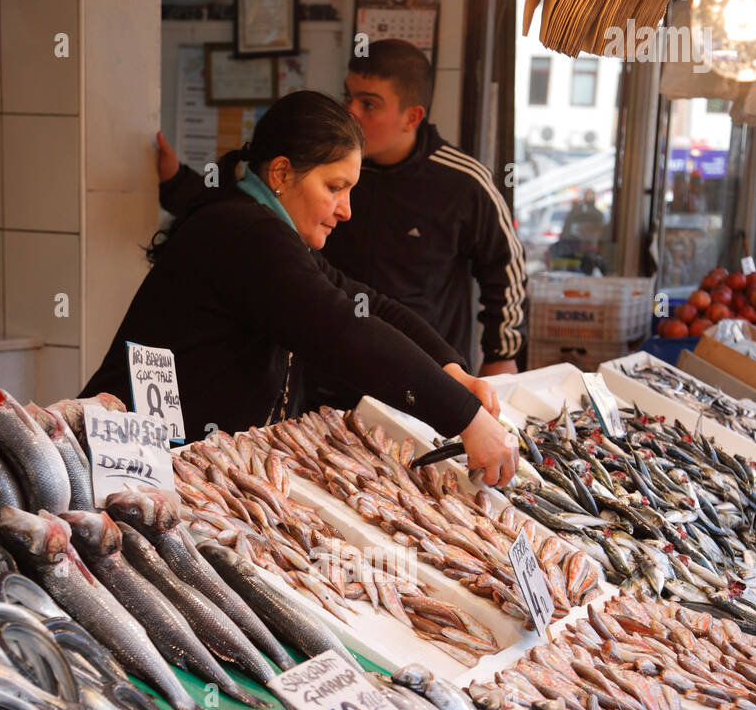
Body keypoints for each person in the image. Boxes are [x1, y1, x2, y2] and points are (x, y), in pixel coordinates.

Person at [82, 92, 518, 487]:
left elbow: (369, 306)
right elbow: (344, 333)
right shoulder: (248, 233)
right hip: (119, 469)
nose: (346, 211)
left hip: (169, 464)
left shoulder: (263, 226)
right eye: (335, 188)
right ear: (282, 173)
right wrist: (465, 420)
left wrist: (452, 371)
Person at [156, 40, 526, 376]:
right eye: (347, 97)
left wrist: (498, 354)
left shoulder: (464, 182)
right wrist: (174, 181)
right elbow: (240, 199)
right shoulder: (264, 220)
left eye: (369, 104)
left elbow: (504, 265)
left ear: (412, 117)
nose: (350, 113)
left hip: (421, 374)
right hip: (325, 367)